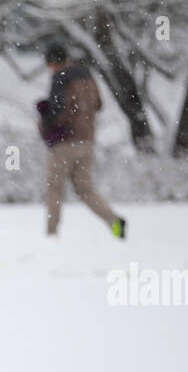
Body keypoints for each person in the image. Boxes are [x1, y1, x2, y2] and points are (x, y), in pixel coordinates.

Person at [37, 41, 126, 240]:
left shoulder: (60, 77)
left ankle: (51, 234)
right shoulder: (87, 76)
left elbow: (59, 110)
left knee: (54, 188)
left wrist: (45, 118)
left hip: (64, 143)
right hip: (87, 142)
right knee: (85, 189)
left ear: (52, 62)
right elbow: (99, 104)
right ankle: (114, 221)